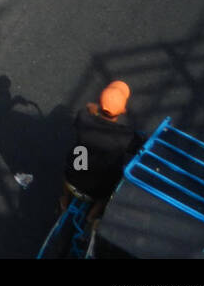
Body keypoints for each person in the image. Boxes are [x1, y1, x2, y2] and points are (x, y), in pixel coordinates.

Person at [61, 80, 143, 220]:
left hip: (73, 179)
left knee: (74, 164)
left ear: (99, 103)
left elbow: (88, 109)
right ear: (123, 110)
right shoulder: (125, 136)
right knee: (108, 190)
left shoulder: (84, 118)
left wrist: (93, 109)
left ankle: (64, 201)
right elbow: (138, 147)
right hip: (97, 191)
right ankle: (92, 217)